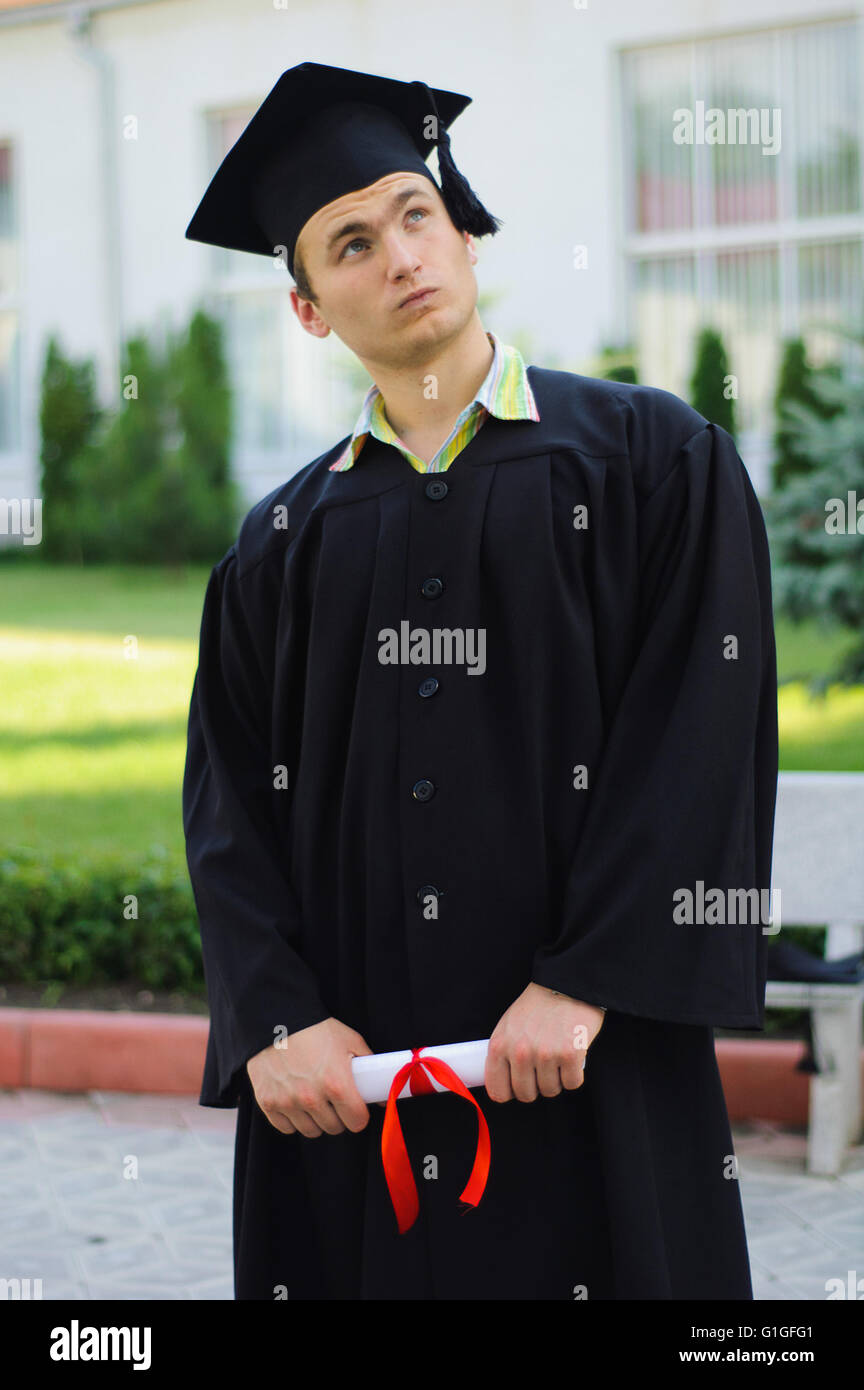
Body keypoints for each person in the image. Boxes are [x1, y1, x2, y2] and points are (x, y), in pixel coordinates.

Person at [182, 61, 779, 1300]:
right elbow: (228, 810)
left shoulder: (653, 463)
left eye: (415, 212)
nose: (400, 254)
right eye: (349, 243)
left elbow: (701, 739)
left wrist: (586, 979)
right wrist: (276, 1022)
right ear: (309, 310)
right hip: (353, 1094)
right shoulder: (278, 545)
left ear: (462, 228)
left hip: (590, 1066)